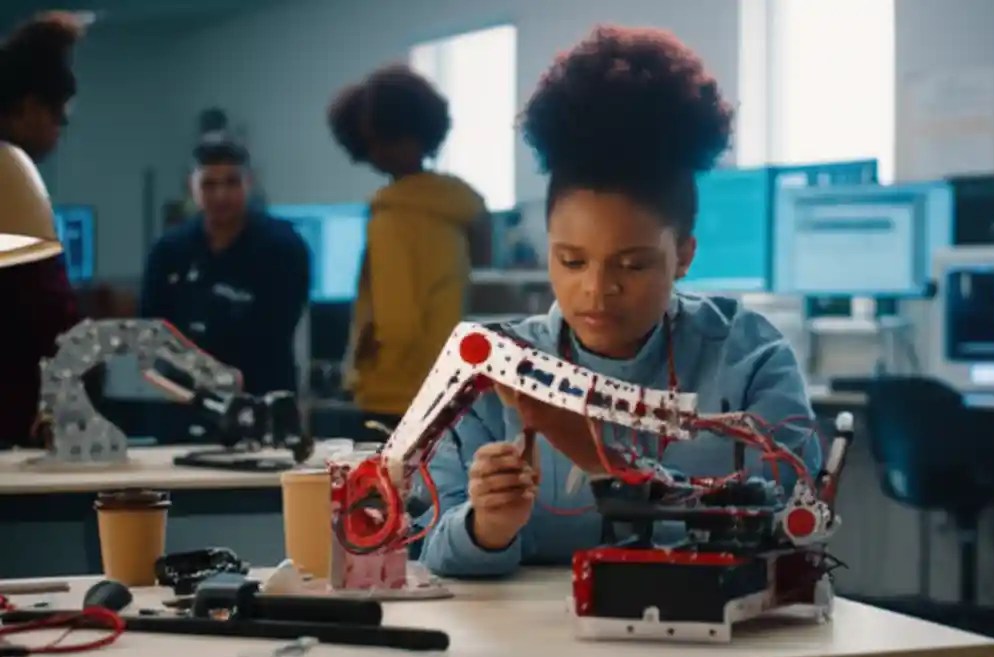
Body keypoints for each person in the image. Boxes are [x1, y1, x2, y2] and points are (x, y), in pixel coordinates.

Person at [421, 26, 822, 577]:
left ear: (683, 255)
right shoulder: (493, 368)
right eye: (572, 261)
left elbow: (792, 529)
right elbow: (430, 546)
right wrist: (487, 528)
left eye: (632, 265)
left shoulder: (749, 356)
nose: (597, 289)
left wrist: (604, 462)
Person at [327, 64, 490, 430]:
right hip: (451, 384)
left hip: (394, 395)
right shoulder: (455, 208)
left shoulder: (391, 218)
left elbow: (396, 322)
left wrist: (361, 374)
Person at [140, 136, 310, 396]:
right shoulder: (169, 250)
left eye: (231, 182)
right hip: (186, 398)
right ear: (192, 187)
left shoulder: (283, 247)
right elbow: (152, 328)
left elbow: (275, 329)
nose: (221, 195)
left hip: (260, 395)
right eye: (209, 184)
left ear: (248, 183)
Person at [0, 12, 87, 446]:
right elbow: (46, 311)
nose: (60, 128)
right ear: (31, 106)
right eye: (58, 115)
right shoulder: (9, 169)